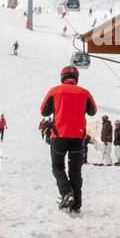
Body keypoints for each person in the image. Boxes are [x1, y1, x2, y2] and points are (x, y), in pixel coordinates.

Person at [39, 65, 97, 213]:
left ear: (62, 77)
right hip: (77, 137)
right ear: (76, 78)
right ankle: (76, 204)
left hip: (59, 135)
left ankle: (66, 193)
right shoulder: (85, 93)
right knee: (75, 170)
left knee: (57, 167)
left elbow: (43, 111)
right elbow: (93, 111)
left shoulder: (55, 91)